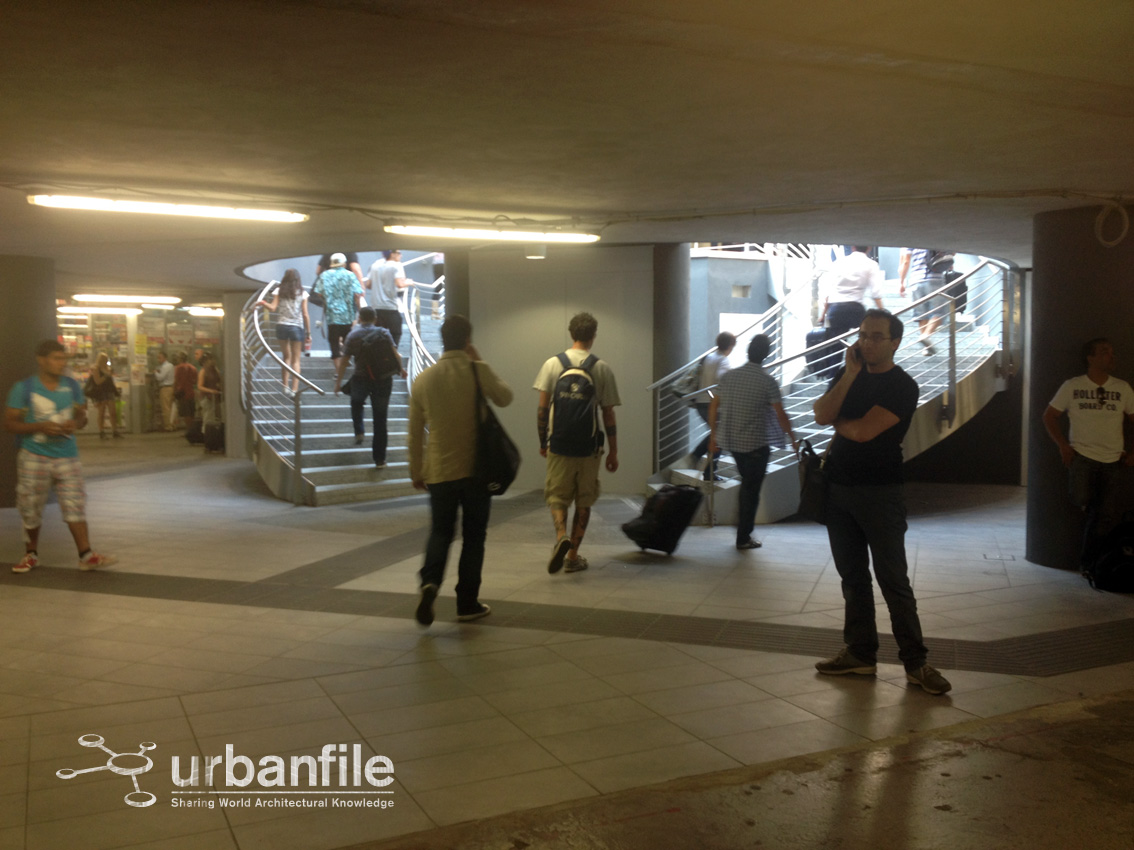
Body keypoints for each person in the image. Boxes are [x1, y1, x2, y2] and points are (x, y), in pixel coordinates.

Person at [812, 308, 951, 695]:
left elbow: (860, 432)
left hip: (880, 493)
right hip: (839, 490)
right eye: (863, 334)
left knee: (893, 581)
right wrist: (850, 376)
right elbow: (820, 411)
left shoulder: (902, 386)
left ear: (895, 343)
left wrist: (837, 423)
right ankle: (860, 654)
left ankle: (916, 662)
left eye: (876, 336)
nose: (866, 342)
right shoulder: (849, 374)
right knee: (852, 579)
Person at [409, 315, 513, 625]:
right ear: (468, 340)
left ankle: (430, 582)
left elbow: (415, 433)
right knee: (473, 537)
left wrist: (417, 470)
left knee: (440, 531)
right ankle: (467, 603)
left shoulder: (424, 379)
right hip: (476, 472)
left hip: (439, 471)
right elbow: (505, 397)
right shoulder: (475, 371)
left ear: (442, 339)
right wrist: (479, 362)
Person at [4, 340, 117, 573]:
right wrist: (39, 426)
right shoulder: (24, 388)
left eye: (64, 358)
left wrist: (74, 423)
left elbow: (82, 416)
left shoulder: (72, 386)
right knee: (30, 506)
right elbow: (10, 423)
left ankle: (86, 554)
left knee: (75, 502)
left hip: (67, 455)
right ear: (41, 360)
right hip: (34, 455)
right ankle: (31, 553)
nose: (62, 363)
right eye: (57, 358)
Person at [534, 312, 620, 574]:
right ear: (593, 336)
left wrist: (543, 442)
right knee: (584, 499)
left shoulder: (552, 364)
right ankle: (573, 557)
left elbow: (541, 410)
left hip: (559, 444)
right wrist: (613, 451)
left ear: (572, 334)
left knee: (557, 496)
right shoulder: (601, 368)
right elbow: (608, 413)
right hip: (589, 448)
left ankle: (561, 536)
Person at [1042, 338, 1134, 570]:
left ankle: (1090, 565)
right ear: (1090, 358)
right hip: (1081, 456)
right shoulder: (1072, 386)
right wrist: (1063, 445)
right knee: (1081, 499)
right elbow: (1049, 416)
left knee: (1104, 517)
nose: (1111, 357)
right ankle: (1092, 511)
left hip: (1114, 459)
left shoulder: (1122, 388)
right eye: (1105, 352)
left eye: (1112, 352)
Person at [708, 334, 798, 550]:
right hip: (756, 445)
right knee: (751, 490)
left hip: (734, 444)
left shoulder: (730, 376)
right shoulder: (768, 381)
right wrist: (792, 438)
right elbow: (780, 414)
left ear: (748, 352)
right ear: (766, 355)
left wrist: (713, 435)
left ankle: (742, 530)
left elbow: (714, 405)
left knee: (747, 487)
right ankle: (743, 536)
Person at [334, 307, 406, 469]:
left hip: (361, 378)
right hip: (383, 379)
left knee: (356, 401)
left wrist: (338, 383)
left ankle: (359, 430)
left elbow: (344, 361)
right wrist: (400, 370)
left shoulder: (353, 335)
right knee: (380, 420)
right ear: (375, 318)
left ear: (359, 318)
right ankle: (380, 460)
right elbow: (396, 354)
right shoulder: (384, 333)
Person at [818, 246, 885, 375]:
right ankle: (863, 374)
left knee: (836, 349)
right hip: (855, 309)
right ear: (869, 248)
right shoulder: (871, 264)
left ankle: (833, 382)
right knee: (866, 341)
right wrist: (883, 312)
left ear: (852, 247)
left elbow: (827, 293)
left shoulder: (838, 263)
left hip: (835, 309)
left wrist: (823, 315)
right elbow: (875, 293)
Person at [257, 268, 311, 396]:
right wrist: (308, 333)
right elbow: (305, 314)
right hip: (296, 328)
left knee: (286, 357)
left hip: (281, 326)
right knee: (296, 360)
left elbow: (272, 308)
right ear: (298, 279)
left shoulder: (279, 291)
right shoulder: (302, 293)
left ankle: (285, 386)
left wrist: (262, 302)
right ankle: (294, 390)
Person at [690, 332, 735, 479]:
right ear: (729, 346)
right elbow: (723, 380)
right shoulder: (723, 361)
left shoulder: (708, 358)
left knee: (716, 432)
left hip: (701, 403)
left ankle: (697, 455)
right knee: (719, 436)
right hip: (713, 404)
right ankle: (709, 471)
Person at [313, 252, 365, 370]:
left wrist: (327, 299)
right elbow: (358, 294)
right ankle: (348, 364)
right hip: (347, 316)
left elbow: (319, 293)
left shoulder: (324, 275)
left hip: (332, 317)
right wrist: (358, 309)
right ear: (344, 263)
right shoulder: (350, 275)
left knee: (334, 344)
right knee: (348, 343)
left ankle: (338, 370)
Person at [898, 248, 953, 355]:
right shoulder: (931, 237)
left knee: (921, 314)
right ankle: (925, 336)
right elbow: (952, 252)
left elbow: (905, 261)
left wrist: (902, 282)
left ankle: (926, 348)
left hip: (915, 280)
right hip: (934, 278)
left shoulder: (910, 241)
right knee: (940, 312)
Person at [364, 249, 415, 347]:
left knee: (377, 337)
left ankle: (379, 357)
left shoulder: (374, 266)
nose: (401, 255)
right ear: (392, 254)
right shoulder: (396, 265)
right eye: (399, 253)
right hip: (390, 307)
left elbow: (369, 285)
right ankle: (392, 355)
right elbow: (400, 284)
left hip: (376, 307)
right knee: (396, 333)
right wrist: (409, 282)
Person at [85, 352, 122, 439]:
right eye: (104, 359)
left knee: (113, 412)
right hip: (101, 392)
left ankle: (114, 431)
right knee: (101, 412)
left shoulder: (107, 368)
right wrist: (106, 376)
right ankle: (101, 431)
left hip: (109, 392)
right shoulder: (96, 369)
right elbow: (97, 381)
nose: (106, 361)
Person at [197, 353, 222, 427]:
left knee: (217, 416)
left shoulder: (215, 370)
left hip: (215, 397)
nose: (212, 361)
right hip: (207, 397)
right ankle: (206, 434)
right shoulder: (203, 371)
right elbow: (200, 386)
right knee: (208, 417)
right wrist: (211, 391)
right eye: (210, 359)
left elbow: (220, 380)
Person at [173, 352, 197, 427]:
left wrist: (174, 391)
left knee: (186, 413)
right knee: (191, 412)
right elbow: (195, 381)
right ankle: (192, 428)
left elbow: (176, 380)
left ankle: (189, 429)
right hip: (191, 392)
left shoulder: (178, 367)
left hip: (182, 393)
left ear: (180, 359)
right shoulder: (193, 368)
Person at [153, 350, 175, 431]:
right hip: (170, 388)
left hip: (165, 388)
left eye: (160, 358)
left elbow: (160, 378)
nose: (158, 359)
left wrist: (155, 372)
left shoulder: (166, 366)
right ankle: (172, 424)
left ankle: (168, 426)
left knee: (166, 408)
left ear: (165, 358)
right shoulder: (170, 366)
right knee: (170, 407)